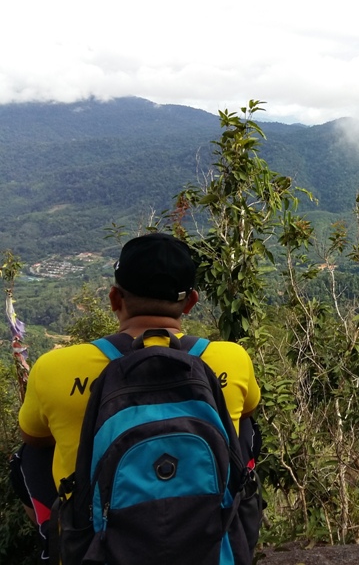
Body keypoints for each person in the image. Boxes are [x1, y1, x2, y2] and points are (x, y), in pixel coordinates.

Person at [13, 233, 261, 561]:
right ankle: (230, 532)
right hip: (206, 536)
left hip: (102, 540)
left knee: (27, 456)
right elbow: (247, 418)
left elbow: (32, 436)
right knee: (246, 429)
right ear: (191, 302)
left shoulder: (54, 367)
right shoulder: (231, 358)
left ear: (115, 298)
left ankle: (59, 541)